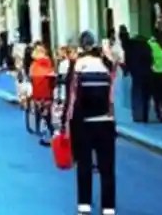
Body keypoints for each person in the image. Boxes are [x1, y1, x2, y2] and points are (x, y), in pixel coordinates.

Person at [64, 31, 117, 215]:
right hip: (106, 122)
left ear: (81, 45)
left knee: (84, 165)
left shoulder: (77, 65)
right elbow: (111, 93)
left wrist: (66, 123)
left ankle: (84, 206)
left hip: (84, 124)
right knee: (107, 168)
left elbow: (71, 98)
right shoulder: (106, 64)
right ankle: (108, 208)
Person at [28, 44, 56, 145]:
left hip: (37, 94)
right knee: (47, 115)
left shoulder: (33, 66)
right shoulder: (48, 64)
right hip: (47, 93)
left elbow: (31, 78)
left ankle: (45, 135)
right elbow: (53, 80)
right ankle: (50, 133)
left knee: (42, 114)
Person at [124, 30, 152, 123]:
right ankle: (145, 115)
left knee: (137, 94)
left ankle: (137, 115)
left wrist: (127, 70)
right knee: (146, 96)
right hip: (147, 74)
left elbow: (128, 60)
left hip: (136, 74)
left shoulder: (132, 49)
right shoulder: (147, 47)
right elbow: (151, 60)